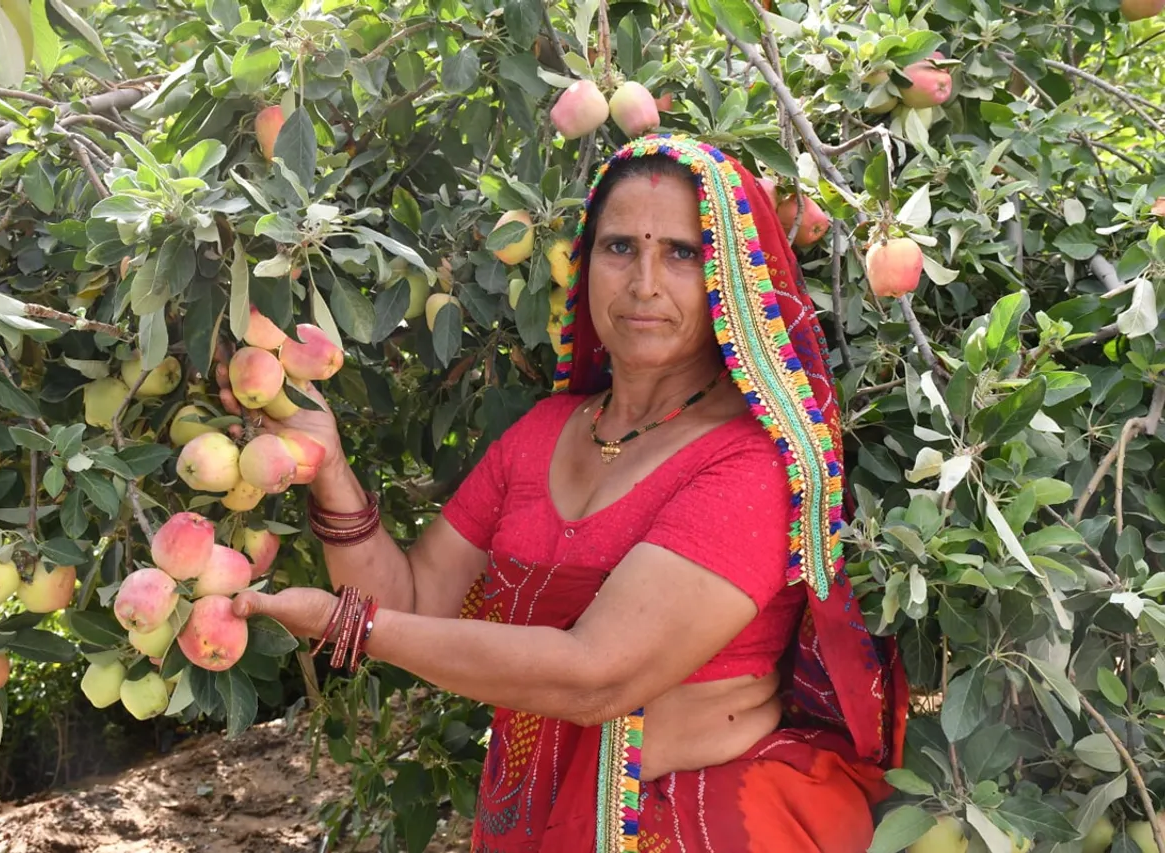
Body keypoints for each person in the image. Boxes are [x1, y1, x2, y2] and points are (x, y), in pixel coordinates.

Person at [232, 134, 909, 852]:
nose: (645, 283)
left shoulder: (750, 461)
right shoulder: (544, 430)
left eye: (683, 252)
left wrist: (350, 627)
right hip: (534, 818)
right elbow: (411, 602)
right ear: (585, 266)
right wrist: (328, 464)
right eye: (620, 247)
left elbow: (597, 677)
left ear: (733, 276)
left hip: (697, 828)